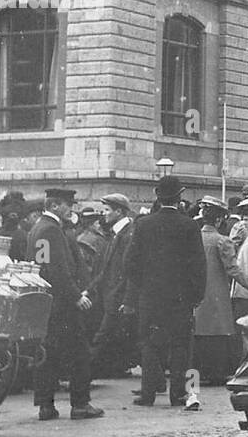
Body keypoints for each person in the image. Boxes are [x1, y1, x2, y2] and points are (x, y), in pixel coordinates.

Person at [123, 176, 208, 409]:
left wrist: (144, 285)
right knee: (181, 345)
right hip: (181, 299)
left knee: (149, 343)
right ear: (179, 198)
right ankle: (180, 394)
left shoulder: (143, 225)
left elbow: (130, 263)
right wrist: (196, 295)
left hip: (150, 297)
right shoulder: (190, 226)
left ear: (157, 197)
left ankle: (148, 393)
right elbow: (199, 266)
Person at [29, 187, 103, 421]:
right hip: (62, 304)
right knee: (80, 353)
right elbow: (57, 269)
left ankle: (45, 405)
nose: (71, 209)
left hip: (45, 301)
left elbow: (44, 268)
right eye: (67, 205)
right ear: (54, 206)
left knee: (48, 354)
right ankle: (81, 405)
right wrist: (76, 296)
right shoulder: (52, 230)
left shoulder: (38, 228)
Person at [194, 196, 248, 389]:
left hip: (196, 296)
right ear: (220, 220)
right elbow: (234, 270)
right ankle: (216, 375)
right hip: (216, 296)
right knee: (217, 334)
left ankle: (193, 383)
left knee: (197, 337)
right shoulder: (222, 241)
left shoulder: (195, 237)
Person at [89, 193, 137, 378]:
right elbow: (108, 269)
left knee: (102, 336)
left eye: (107, 210)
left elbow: (126, 270)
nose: (104, 214)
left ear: (119, 211)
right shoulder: (119, 233)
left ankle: (84, 374)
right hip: (112, 294)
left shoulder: (127, 234)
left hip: (117, 296)